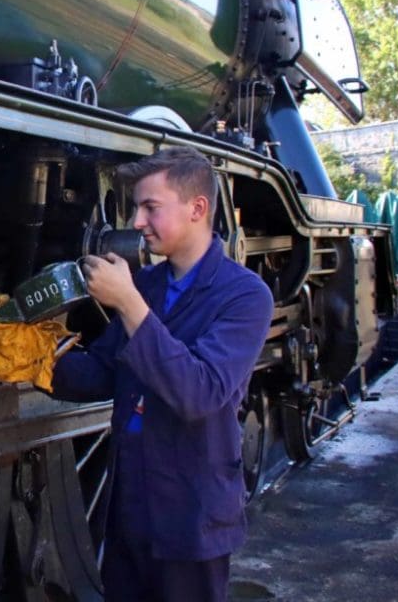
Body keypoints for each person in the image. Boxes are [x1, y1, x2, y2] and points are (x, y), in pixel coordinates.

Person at [52, 146, 273, 602]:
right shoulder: (149, 285)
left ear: (197, 209)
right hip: (130, 506)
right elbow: (99, 374)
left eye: (150, 207)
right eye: (136, 207)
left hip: (192, 515)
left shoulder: (246, 296)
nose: (136, 221)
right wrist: (34, 361)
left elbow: (199, 393)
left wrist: (128, 303)